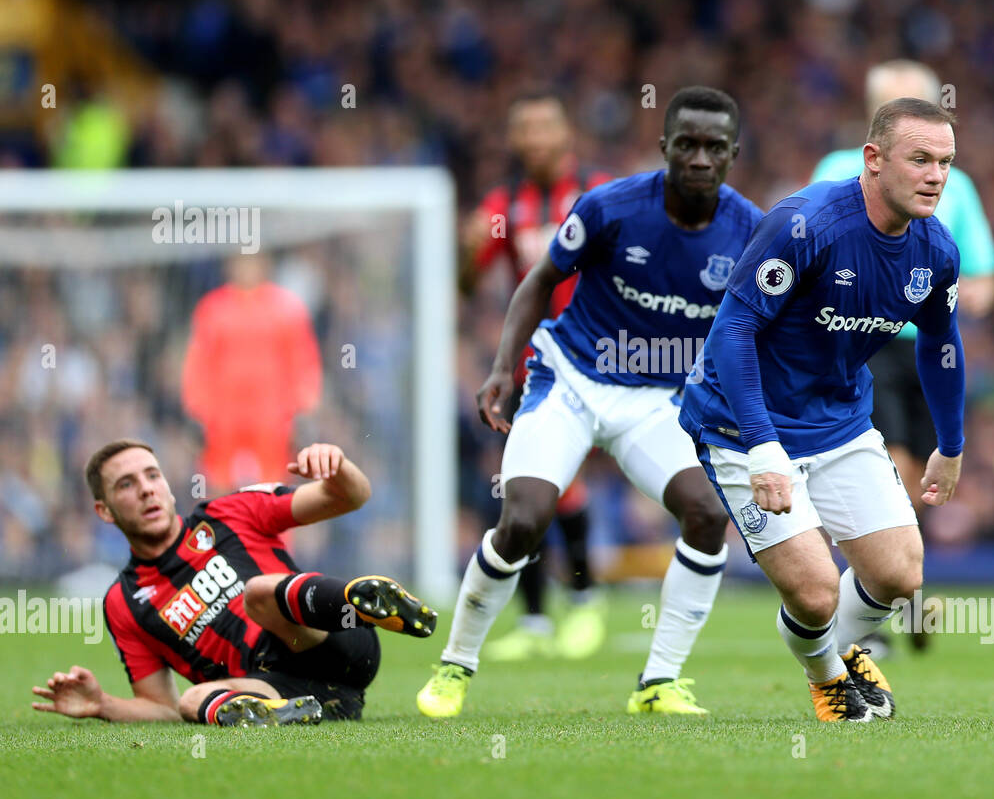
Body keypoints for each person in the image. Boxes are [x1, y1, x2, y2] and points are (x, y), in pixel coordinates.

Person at [417, 86, 763, 719]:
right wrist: (501, 368)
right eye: (686, 144)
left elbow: (763, 327)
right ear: (665, 147)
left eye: (715, 147)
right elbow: (539, 280)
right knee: (522, 521)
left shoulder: (750, 231)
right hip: (571, 379)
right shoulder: (610, 206)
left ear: (733, 154)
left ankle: (658, 683)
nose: (699, 158)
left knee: (708, 515)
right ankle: (455, 666)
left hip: (656, 400)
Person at [679, 98, 966, 721]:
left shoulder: (936, 251)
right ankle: (828, 674)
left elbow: (941, 342)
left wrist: (951, 443)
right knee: (812, 593)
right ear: (873, 159)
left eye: (945, 162)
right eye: (920, 159)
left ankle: (838, 646)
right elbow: (733, 330)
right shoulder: (807, 223)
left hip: (837, 421)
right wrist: (759, 445)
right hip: (739, 422)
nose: (936, 176)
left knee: (899, 576)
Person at [32, 440, 435, 726]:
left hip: (336, 637)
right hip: (297, 689)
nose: (145, 490)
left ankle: (361, 601)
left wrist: (337, 465)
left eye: (152, 475)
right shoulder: (124, 603)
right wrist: (102, 704)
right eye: (126, 484)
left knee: (257, 594)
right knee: (193, 700)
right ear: (104, 511)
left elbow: (350, 497)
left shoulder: (229, 513)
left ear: (168, 487)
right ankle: (289, 716)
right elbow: (162, 708)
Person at [812, 60, 994, 652]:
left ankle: (900, 595)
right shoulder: (838, 171)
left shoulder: (955, 187)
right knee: (889, 464)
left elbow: (984, 280)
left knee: (916, 482)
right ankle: (888, 613)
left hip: (928, 349)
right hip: (862, 344)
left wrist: (934, 290)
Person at [460, 89, 610, 663]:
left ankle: (585, 599)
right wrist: (464, 249)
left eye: (546, 125)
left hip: (606, 358)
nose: (536, 138)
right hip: (535, 363)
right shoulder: (503, 205)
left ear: (566, 132)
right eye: (525, 128)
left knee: (568, 481)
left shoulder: (598, 193)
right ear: (514, 139)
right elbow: (467, 285)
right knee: (527, 483)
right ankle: (542, 618)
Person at [180, 254, 322, 494]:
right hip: (223, 418)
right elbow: (198, 365)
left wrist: (303, 408)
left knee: (272, 492)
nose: (246, 269)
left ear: (264, 264)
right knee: (219, 489)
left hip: (271, 419)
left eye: (252, 261)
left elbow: (303, 363)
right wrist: (197, 412)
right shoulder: (213, 309)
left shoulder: (285, 309)